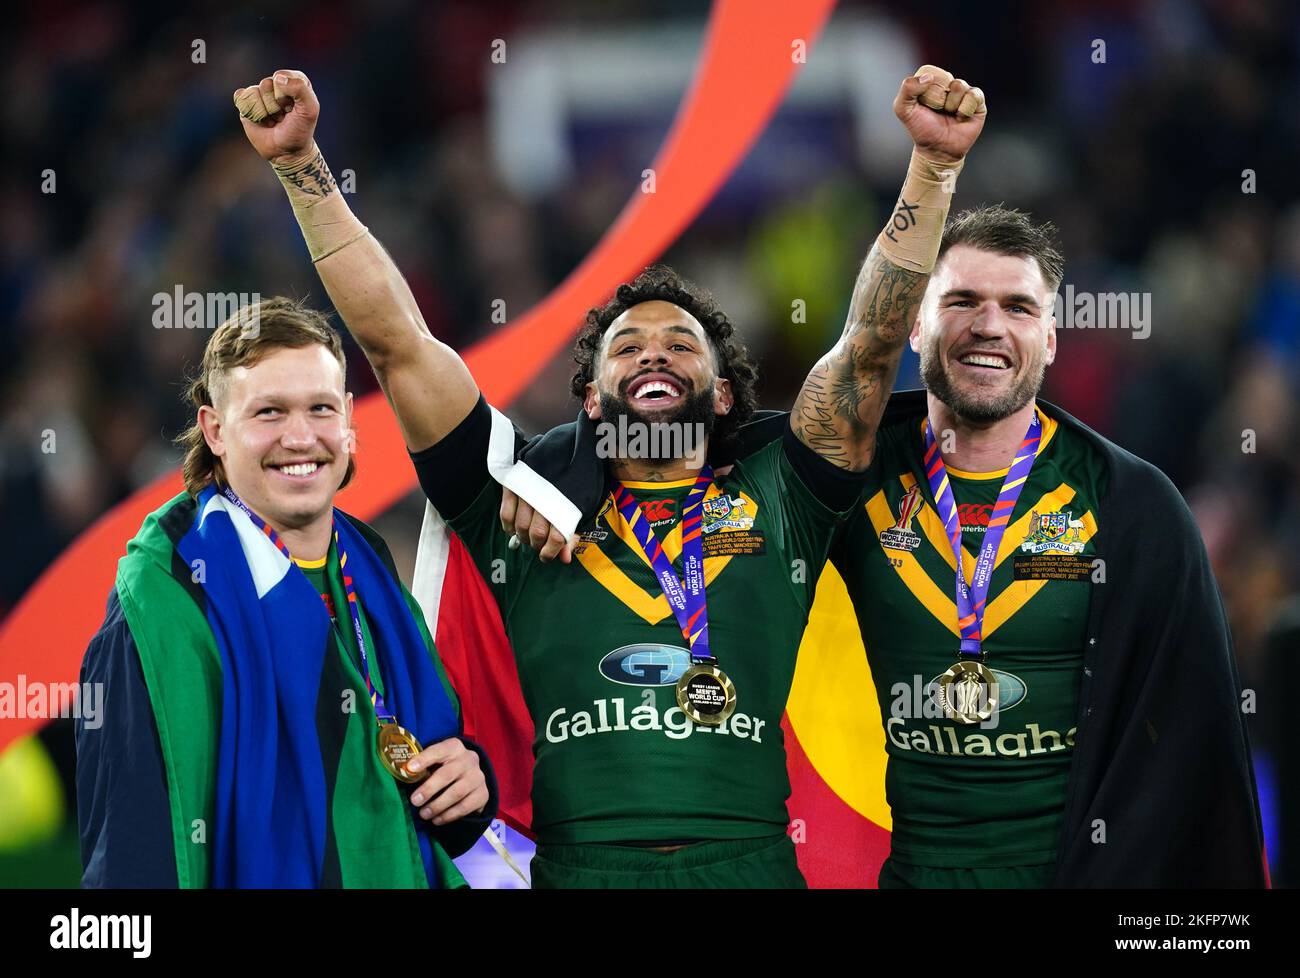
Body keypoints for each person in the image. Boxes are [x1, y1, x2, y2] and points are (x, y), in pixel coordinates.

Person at [234, 63, 985, 887]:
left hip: (751, 869)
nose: (654, 352)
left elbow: (871, 344)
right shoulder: (514, 504)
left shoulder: (785, 497)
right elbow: (398, 343)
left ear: (724, 390)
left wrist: (933, 167)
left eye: (679, 345)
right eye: (627, 347)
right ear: (592, 398)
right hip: (578, 871)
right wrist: (302, 166)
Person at [520, 205, 1268, 888]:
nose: (988, 326)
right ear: (914, 328)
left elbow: (1194, 750)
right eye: (961, 302)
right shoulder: (852, 474)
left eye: (1017, 307)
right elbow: (676, 429)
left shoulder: (1131, 504)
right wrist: (565, 462)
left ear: (1049, 335)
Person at [76, 298, 497, 888]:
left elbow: (432, 786)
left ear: (349, 421)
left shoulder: (366, 564)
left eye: (320, 409)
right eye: (269, 412)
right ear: (215, 431)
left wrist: (470, 783)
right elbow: (130, 848)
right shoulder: (163, 596)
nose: (300, 437)